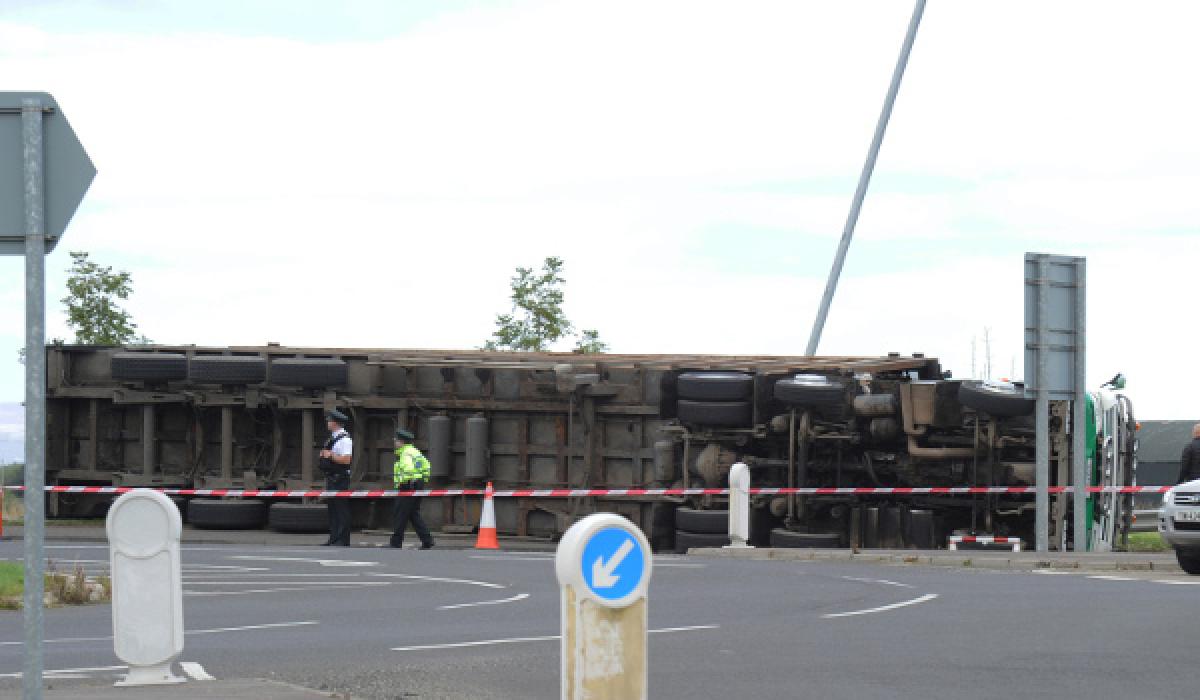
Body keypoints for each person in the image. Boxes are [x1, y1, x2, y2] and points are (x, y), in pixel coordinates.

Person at [389, 428, 435, 550]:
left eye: (396, 439)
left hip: (408, 485)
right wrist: (422, 480)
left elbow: (408, 469)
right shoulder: (415, 451)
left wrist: (403, 482)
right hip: (417, 484)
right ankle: (427, 540)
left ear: (402, 441)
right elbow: (426, 466)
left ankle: (396, 542)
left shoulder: (405, 453)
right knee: (413, 514)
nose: (394, 441)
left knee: (400, 513)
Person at [319, 409, 353, 546]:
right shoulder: (333, 438)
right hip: (332, 477)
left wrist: (330, 455)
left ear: (336, 423)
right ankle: (333, 538)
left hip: (340, 478)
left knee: (341, 509)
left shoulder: (345, 440)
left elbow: (346, 460)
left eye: (330, 420)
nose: (327, 422)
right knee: (332, 509)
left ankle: (343, 539)